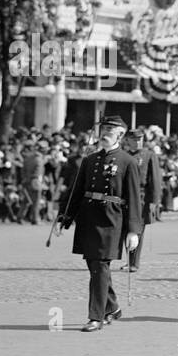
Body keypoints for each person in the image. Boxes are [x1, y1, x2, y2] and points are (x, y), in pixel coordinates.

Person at [58, 115, 143, 333]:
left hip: (112, 220)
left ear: (121, 135)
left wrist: (134, 231)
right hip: (89, 218)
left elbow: (134, 197)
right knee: (96, 267)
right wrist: (65, 217)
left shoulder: (128, 162)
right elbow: (76, 191)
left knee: (99, 267)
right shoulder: (89, 160)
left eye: (110, 130)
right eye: (103, 129)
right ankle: (112, 307)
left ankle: (95, 317)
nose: (104, 133)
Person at [122, 128, 162, 272]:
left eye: (140, 139)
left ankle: (134, 263)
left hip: (141, 197)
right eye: (134, 139)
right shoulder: (123, 155)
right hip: (125, 197)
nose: (138, 142)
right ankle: (128, 260)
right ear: (128, 140)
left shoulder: (149, 155)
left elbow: (155, 180)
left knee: (137, 230)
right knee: (126, 229)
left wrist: (154, 201)